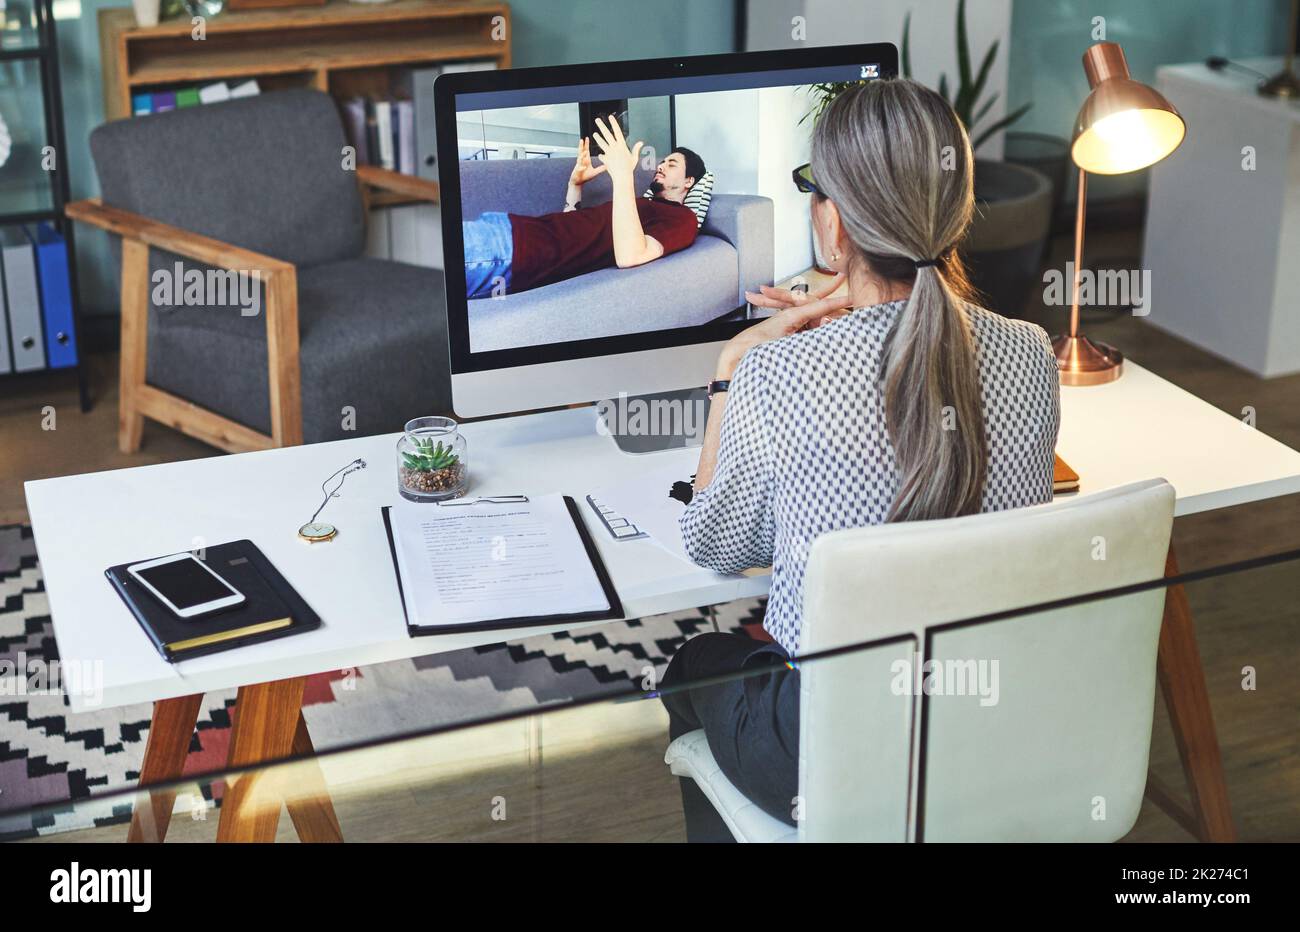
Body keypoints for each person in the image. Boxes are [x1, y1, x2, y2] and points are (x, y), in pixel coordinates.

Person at [658, 78, 1061, 842]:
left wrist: (733, 365)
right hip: (988, 721)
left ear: (833, 225)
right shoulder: (1032, 354)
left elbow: (715, 544)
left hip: (831, 751)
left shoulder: (779, 373)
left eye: (812, 189)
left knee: (693, 668)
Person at [462, 116, 706, 298]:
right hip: (506, 227)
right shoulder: (643, 205)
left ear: (688, 181)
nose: (661, 166)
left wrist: (622, 176)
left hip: (513, 250)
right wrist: (574, 185)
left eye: (671, 164)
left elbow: (631, 256)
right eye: (662, 161)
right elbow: (574, 231)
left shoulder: (683, 218)